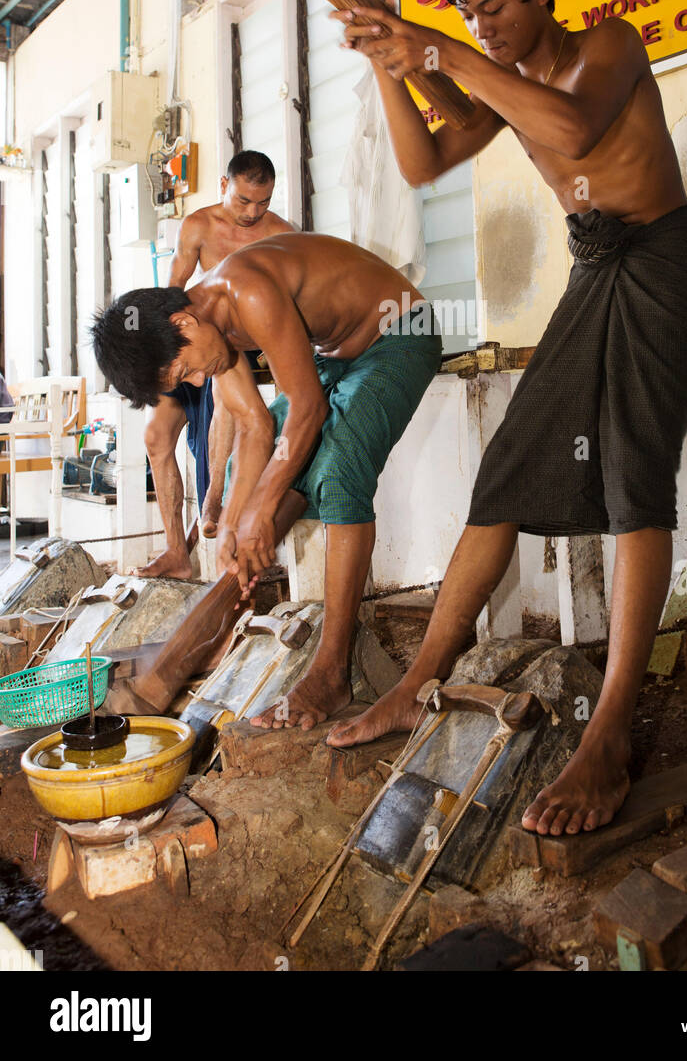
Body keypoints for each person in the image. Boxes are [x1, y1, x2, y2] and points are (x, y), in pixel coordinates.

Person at [325, 0, 687, 837]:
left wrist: (446, 56)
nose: (482, 28)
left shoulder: (607, 49)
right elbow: (425, 161)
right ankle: (417, 686)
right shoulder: (497, 78)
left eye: (494, 7)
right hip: (594, 276)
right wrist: (395, 70)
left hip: (662, 273)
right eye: (467, 15)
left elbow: (576, 131)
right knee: (503, 473)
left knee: (633, 478)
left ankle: (613, 728)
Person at [91, 233, 442, 729]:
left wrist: (262, 508)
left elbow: (309, 408)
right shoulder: (213, 334)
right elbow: (257, 427)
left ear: (183, 323)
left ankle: (332, 671)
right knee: (249, 473)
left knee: (337, 470)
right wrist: (234, 531)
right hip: (339, 357)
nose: (196, 382)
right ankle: (217, 623)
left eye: (187, 369)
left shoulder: (247, 291)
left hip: (403, 332)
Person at [139, 151, 296, 578]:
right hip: (193, 340)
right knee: (155, 436)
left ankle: (217, 502)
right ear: (224, 185)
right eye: (244, 200)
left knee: (239, 406)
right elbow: (171, 294)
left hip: (245, 344)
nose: (252, 212)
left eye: (262, 202)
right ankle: (177, 553)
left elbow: (293, 309)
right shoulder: (198, 226)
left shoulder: (281, 233)